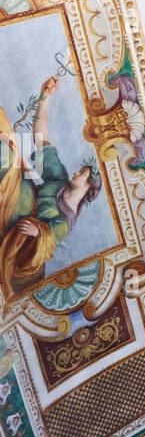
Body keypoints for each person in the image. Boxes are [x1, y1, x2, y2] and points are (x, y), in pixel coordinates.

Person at [0, 75, 102, 295]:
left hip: (12, 215)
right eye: (80, 170)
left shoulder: (64, 221)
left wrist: (38, 230)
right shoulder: (59, 179)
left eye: (82, 174)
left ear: (87, 188)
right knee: (4, 136)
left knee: (4, 153)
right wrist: (44, 99)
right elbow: (42, 140)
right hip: (16, 186)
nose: (76, 173)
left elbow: (48, 239)